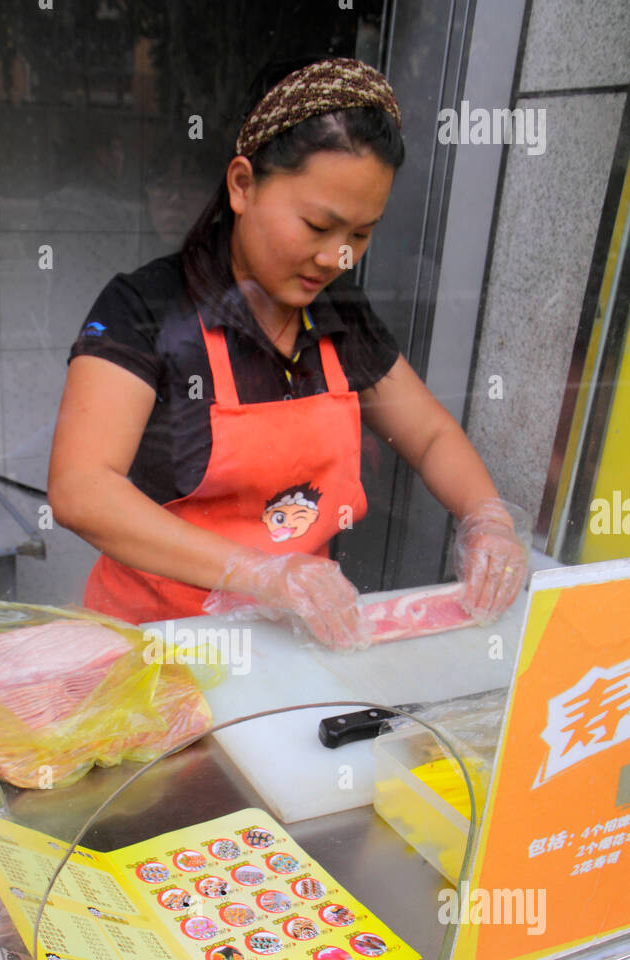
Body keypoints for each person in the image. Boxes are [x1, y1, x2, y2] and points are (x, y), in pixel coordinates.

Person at [48, 58, 528, 649]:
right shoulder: (146, 308)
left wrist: (489, 523)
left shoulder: (340, 315)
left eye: (360, 234)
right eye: (317, 225)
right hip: (153, 650)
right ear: (243, 185)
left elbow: (428, 434)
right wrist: (260, 572)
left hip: (291, 647)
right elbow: (81, 489)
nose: (336, 258)